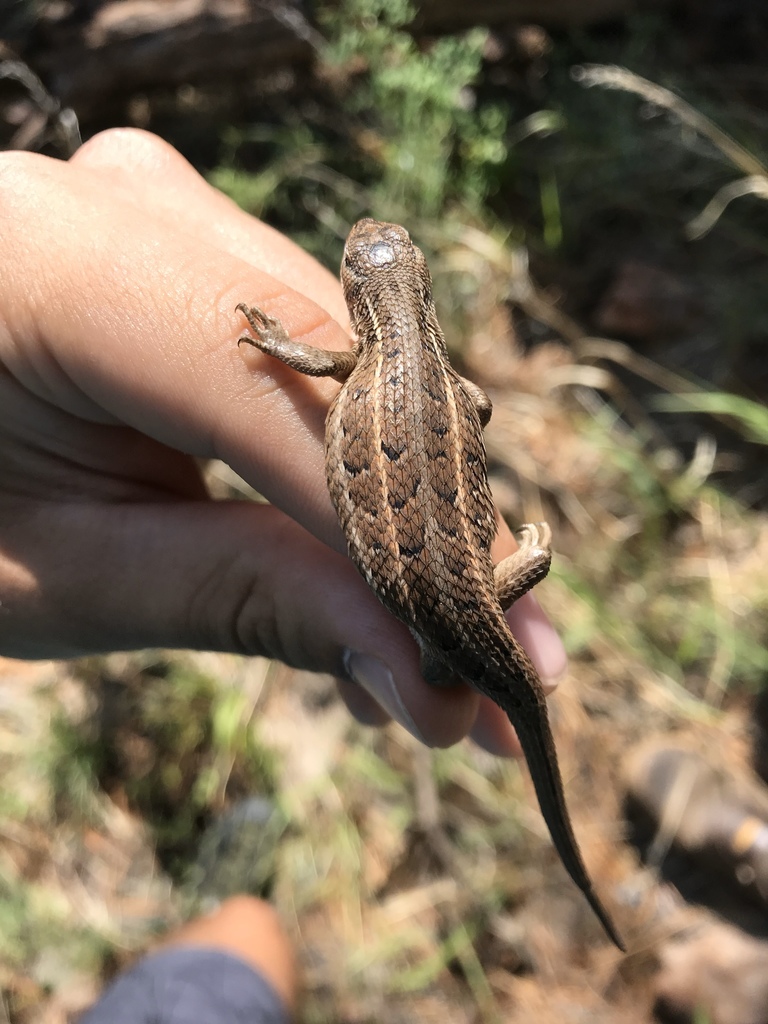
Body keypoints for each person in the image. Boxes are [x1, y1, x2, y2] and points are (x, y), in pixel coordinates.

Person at [0, 129, 567, 1021]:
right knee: (449, 650)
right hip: (468, 593)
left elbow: (317, 361)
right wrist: (522, 551)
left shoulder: (354, 358)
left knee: (432, 668)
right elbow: (478, 406)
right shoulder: (450, 386)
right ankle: (521, 573)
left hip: (447, 598)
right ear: (415, 291)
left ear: (365, 295)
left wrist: (271, 342)